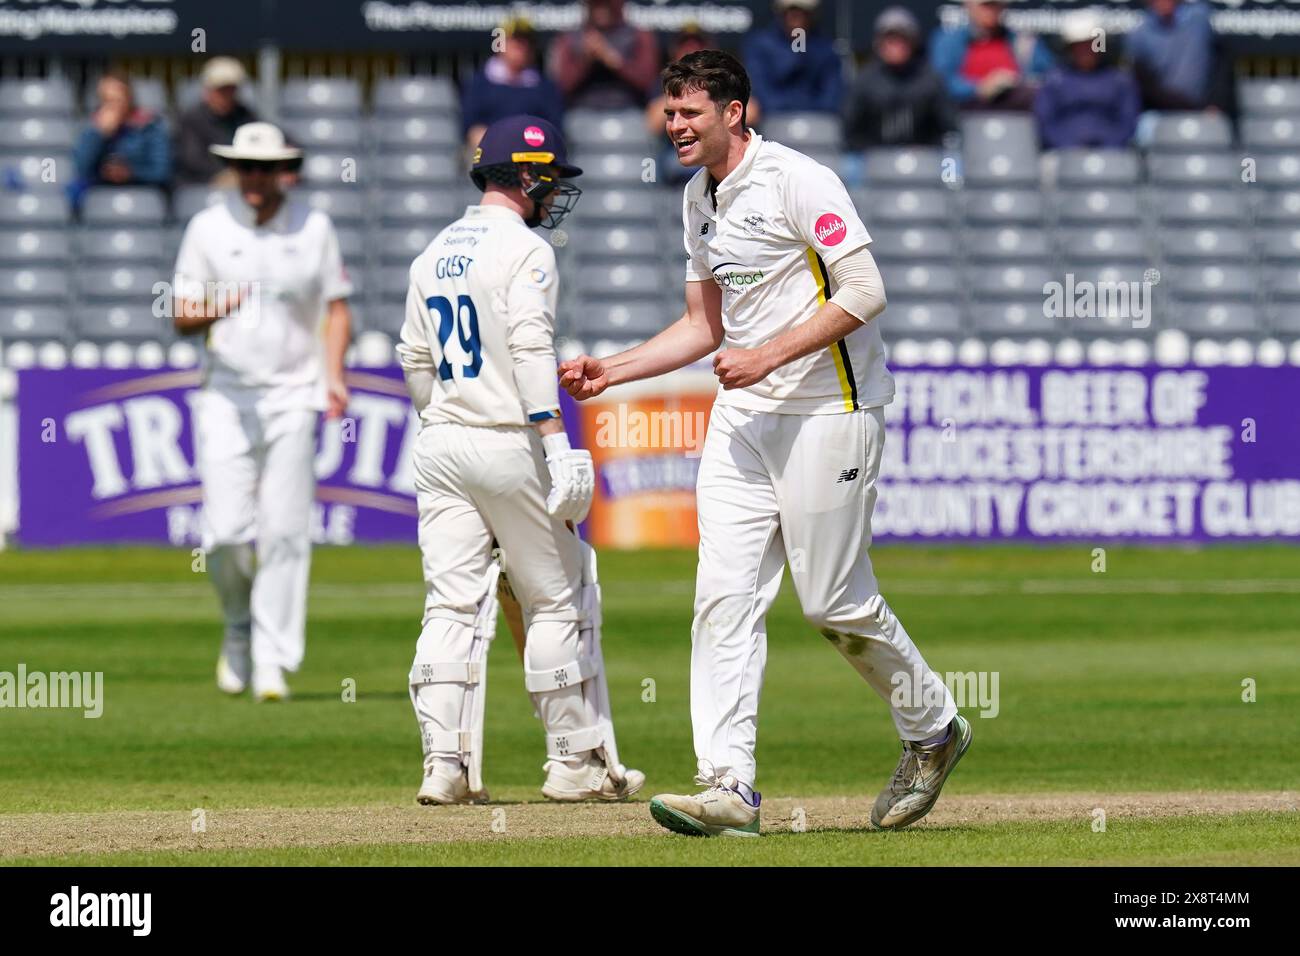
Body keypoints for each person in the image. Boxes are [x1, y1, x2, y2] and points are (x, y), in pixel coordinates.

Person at [560, 51, 969, 837]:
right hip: (744, 420)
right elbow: (704, 328)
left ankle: (934, 730)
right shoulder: (696, 197)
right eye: (669, 112)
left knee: (833, 603)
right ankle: (729, 786)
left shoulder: (796, 179)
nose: (673, 125)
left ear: (736, 111)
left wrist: (768, 354)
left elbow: (867, 291)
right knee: (722, 596)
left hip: (831, 409)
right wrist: (610, 370)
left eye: (689, 113)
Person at [396, 115, 645, 805]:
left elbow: (414, 359)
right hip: (509, 439)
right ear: (527, 175)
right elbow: (533, 345)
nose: (555, 190)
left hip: (440, 440)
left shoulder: (432, 252)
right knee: (555, 597)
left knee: (450, 602)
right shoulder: (527, 250)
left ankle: (443, 767)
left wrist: (444, 415)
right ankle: (572, 763)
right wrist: (555, 436)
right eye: (550, 177)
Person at [171, 122, 353, 702]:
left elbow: (337, 307)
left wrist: (334, 376)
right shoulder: (207, 227)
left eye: (265, 168)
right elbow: (180, 313)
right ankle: (238, 624)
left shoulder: (314, 227)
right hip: (226, 393)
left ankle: (274, 660)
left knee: (284, 532)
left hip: (295, 394)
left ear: (283, 172)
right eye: (245, 167)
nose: (254, 178)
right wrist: (216, 307)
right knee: (225, 535)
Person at [844, 7, 956, 149]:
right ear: (878, 43)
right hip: (871, 158)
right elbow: (850, 129)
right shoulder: (865, 81)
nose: (896, 45)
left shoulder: (930, 80)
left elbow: (947, 126)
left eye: (902, 38)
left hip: (923, 159)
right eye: (890, 39)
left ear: (913, 42)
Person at [1035, 10, 1139, 150]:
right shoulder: (1055, 80)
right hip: (1062, 155)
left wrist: (1109, 148)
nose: (1086, 50)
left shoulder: (1119, 80)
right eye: (1080, 45)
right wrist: (1067, 146)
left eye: (1092, 44)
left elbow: (1128, 122)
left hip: (1112, 156)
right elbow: (1045, 122)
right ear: (1070, 47)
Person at [461, 18, 564, 154]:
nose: (521, 47)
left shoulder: (544, 87)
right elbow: (470, 125)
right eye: (515, 40)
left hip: (530, 153)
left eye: (526, 41)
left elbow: (554, 129)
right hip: (488, 152)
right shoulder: (479, 83)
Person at [930, 0, 1054, 111]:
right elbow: (941, 83)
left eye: (996, 5)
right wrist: (980, 88)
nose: (991, 11)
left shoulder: (1023, 41)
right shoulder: (948, 41)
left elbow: (1048, 78)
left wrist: (1016, 82)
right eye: (985, 6)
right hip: (966, 115)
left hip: (1016, 117)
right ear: (968, 5)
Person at [548, 0, 660, 110]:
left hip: (628, 110)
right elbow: (561, 86)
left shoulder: (638, 35)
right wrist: (586, 60)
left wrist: (613, 60)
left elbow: (648, 82)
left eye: (607, 3)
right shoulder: (569, 36)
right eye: (596, 3)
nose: (601, 9)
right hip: (582, 111)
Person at [1125, 0, 1230, 114]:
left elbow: (1221, 63)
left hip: (1205, 109)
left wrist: (1216, 102)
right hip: (1160, 111)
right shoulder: (1140, 35)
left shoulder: (1199, 17)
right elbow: (1143, 84)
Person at [73, 71, 170, 190]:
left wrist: (130, 173)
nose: (112, 107)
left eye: (117, 100)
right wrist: (100, 135)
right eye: (107, 100)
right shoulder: (93, 129)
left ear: (128, 99)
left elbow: (161, 172)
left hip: (140, 191)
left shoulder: (150, 127)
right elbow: (82, 169)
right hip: (102, 192)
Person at [744, 0, 842, 115]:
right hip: (772, 120)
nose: (796, 16)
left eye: (802, 11)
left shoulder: (825, 49)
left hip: (816, 120)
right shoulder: (760, 46)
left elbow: (831, 96)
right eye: (791, 10)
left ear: (812, 14)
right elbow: (762, 92)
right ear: (780, 12)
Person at [175, 57, 259, 186]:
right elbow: (192, 161)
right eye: (221, 90)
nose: (227, 95)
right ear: (207, 91)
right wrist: (230, 173)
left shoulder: (245, 115)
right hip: (200, 187)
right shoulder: (191, 119)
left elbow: (269, 133)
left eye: (231, 89)